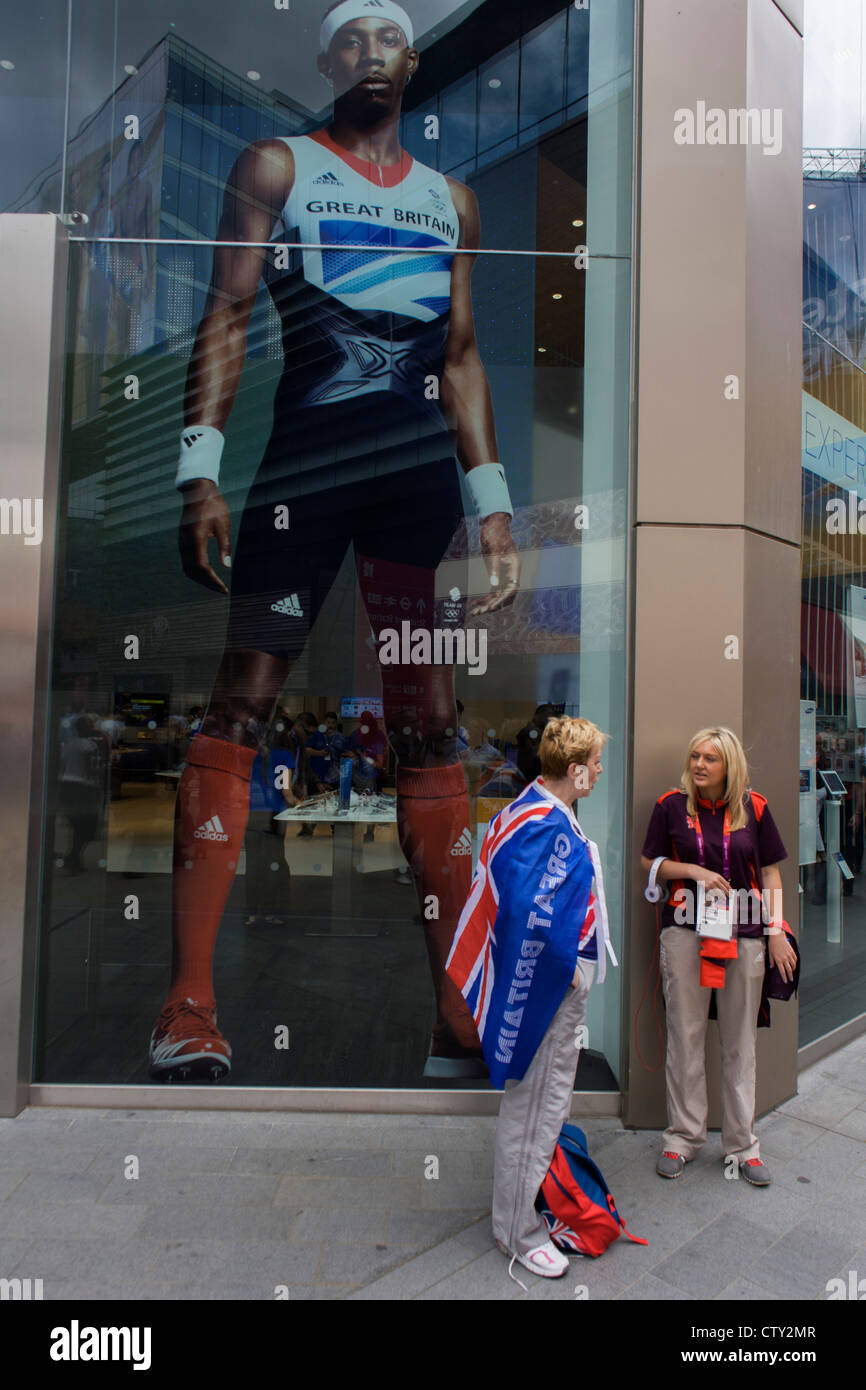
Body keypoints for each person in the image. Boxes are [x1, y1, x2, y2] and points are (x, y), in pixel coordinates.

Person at [148, 0, 521, 1081]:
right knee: (241, 706)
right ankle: (188, 1003)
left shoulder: (452, 200)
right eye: (349, 41)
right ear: (326, 62)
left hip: (412, 485)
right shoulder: (277, 166)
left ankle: (457, 1007)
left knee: (428, 725)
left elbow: (459, 355)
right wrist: (197, 472)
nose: (370, 55)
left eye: (388, 38)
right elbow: (225, 314)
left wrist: (490, 503)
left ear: (409, 63)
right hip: (299, 475)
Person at [447, 716, 617, 1282]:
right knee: (536, 1107)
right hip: (546, 993)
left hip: (543, 987)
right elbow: (527, 913)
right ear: (575, 771)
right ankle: (517, 1232)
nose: (598, 769)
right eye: (594, 762)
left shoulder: (528, 808)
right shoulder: (549, 826)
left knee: (539, 1103)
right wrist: (562, 973)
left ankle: (526, 1209)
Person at [640, 726, 798, 1186]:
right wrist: (692, 870)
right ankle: (683, 1137)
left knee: (739, 1042)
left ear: (730, 765)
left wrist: (775, 931)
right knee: (685, 1036)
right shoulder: (671, 805)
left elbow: (770, 874)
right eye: (694, 756)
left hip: (746, 932)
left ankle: (742, 1146)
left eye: (710, 758)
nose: (699, 765)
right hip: (685, 931)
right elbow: (649, 862)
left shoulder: (756, 806)